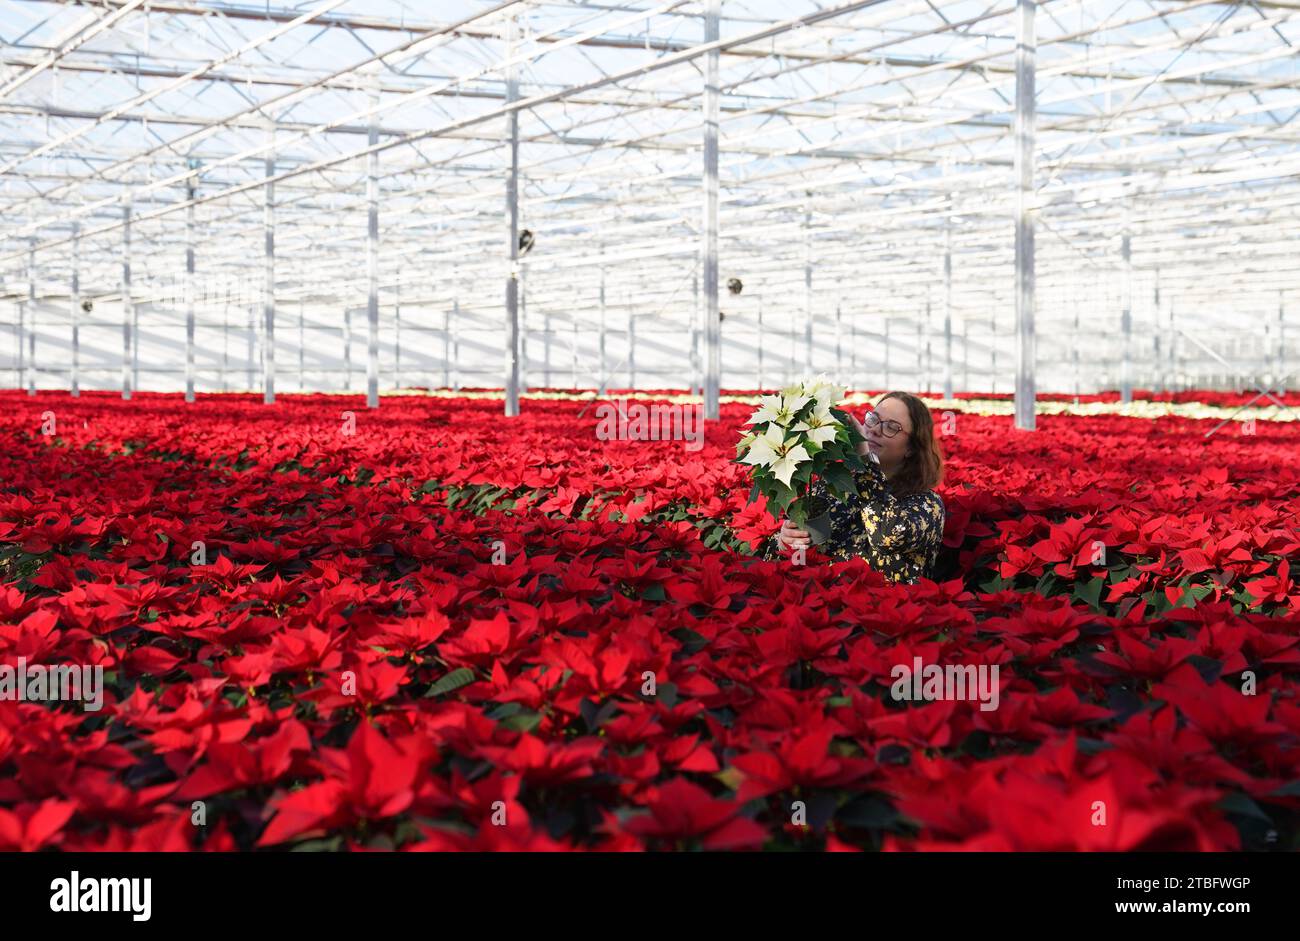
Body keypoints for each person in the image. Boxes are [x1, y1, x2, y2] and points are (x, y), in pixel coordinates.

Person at [766, 391, 945, 584]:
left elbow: (886, 536)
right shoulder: (836, 487)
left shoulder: (928, 505)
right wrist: (784, 541)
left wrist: (865, 460)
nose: (875, 429)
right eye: (873, 419)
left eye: (892, 427)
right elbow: (789, 557)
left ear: (912, 448)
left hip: (882, 610)